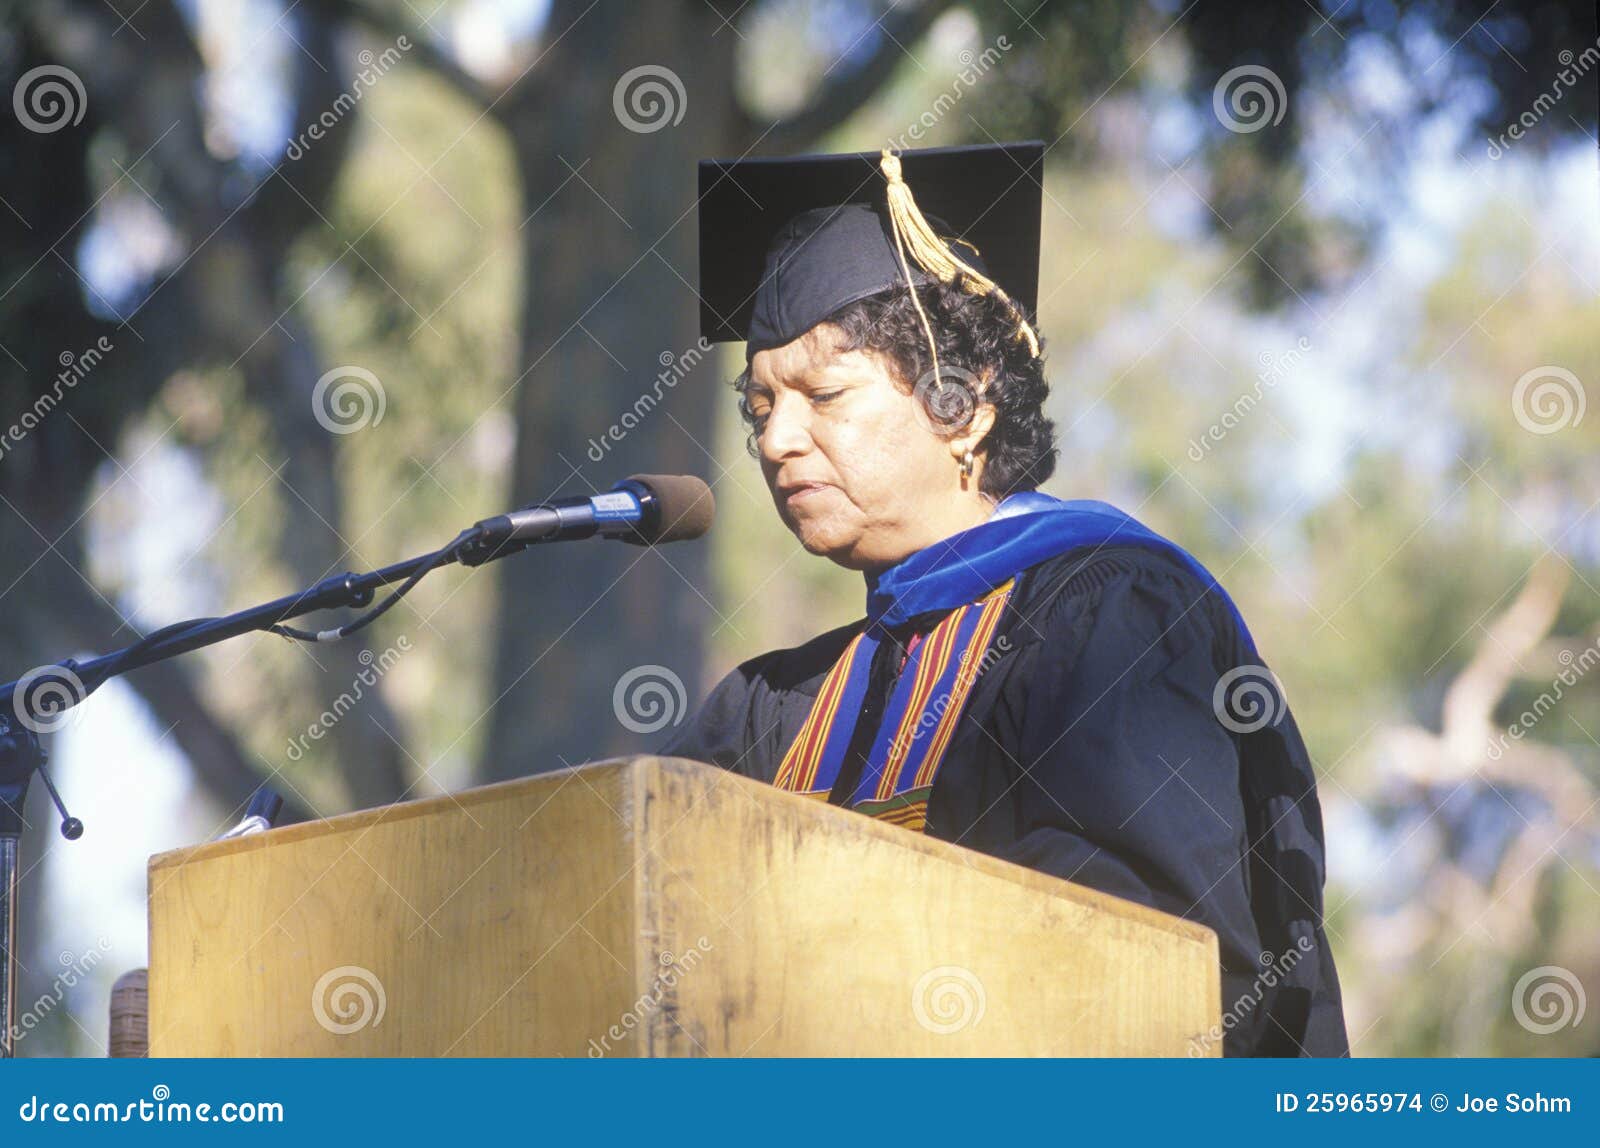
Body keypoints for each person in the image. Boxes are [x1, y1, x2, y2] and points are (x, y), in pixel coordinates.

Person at [664, 141, 1348, 1057]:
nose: (778, 439)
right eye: (759, 409)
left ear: (966, 405)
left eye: (823, 394)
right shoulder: (765, 712)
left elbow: (1140, 977)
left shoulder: (1113, 619)